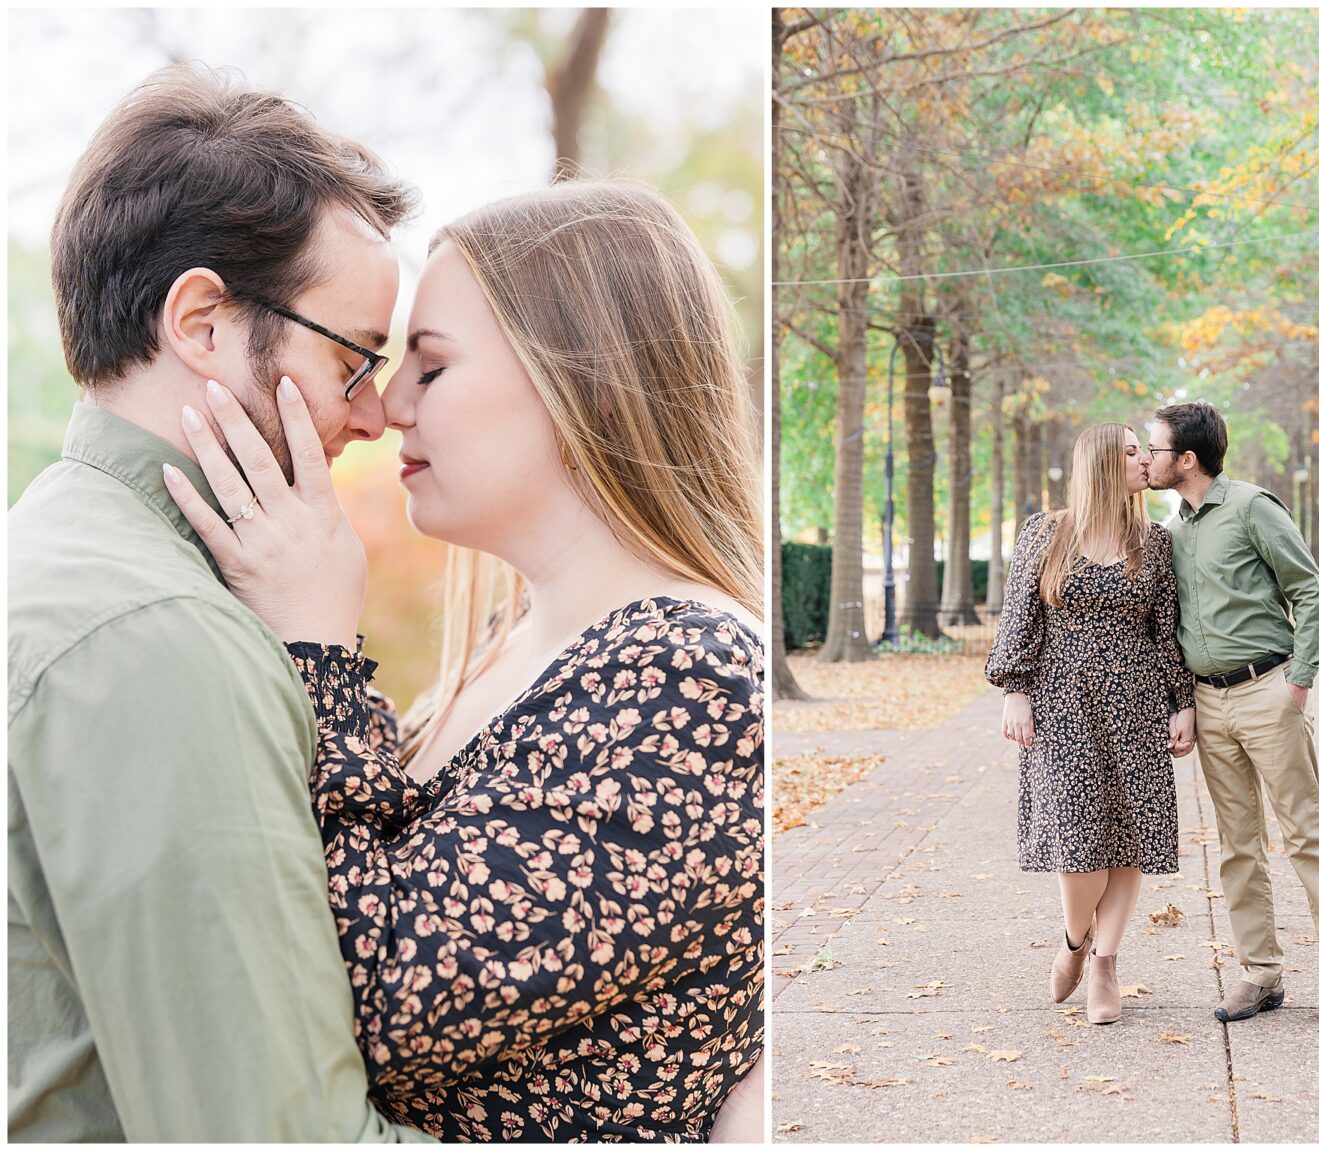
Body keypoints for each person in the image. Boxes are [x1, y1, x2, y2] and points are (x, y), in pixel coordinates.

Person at [164, 180, 766, 1140]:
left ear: (582, 379)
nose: (387, 403)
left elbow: (379, 1008)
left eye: (430, 368)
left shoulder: (691, 681)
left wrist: (316, 645)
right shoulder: (528, 646)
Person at [8, 65, 432, 1140]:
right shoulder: (161, 643)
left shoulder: (51, 556)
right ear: (201, 321)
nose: (377, 411)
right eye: (353, 359)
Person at [1145, 401, 1319, 1028]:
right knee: (1237, 845)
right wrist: (1182, 703)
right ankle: (1260, 976)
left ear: (1186, 459)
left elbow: (1308, 589)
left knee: (1305, 834)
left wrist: (1298, 683)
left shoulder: (1252, 508)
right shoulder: (1176, 530)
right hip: (1208, 703)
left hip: (1267, 691)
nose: (1149, 458)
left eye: (1155, 448)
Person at [984, 423, 1195, 1025]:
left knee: (1130, 836)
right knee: (1079, 845)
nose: (1145, 461)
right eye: (1132, 452)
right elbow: (1019, 612)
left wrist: (1182, 703)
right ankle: (1075, 940)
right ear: (1103, 464)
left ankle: (1105, 963)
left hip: (1136, 699)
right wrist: (1014, 689)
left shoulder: (1152, 542)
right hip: (1061, 699)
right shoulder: (1046, 533)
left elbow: (1167, 630)